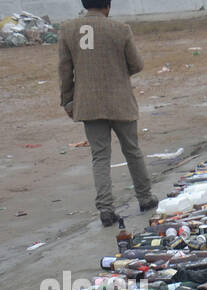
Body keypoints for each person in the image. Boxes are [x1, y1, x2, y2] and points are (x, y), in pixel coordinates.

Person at [58, 0, 155, 226]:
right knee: (132, 150)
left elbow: (64, 69)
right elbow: (137, 64)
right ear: (108, 6)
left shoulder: (68, 29)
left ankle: (106, 209)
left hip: (88, 104)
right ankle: (145, 197)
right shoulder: (120, 29)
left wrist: (68, 100)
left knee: (100, 157)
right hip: (120, 101)